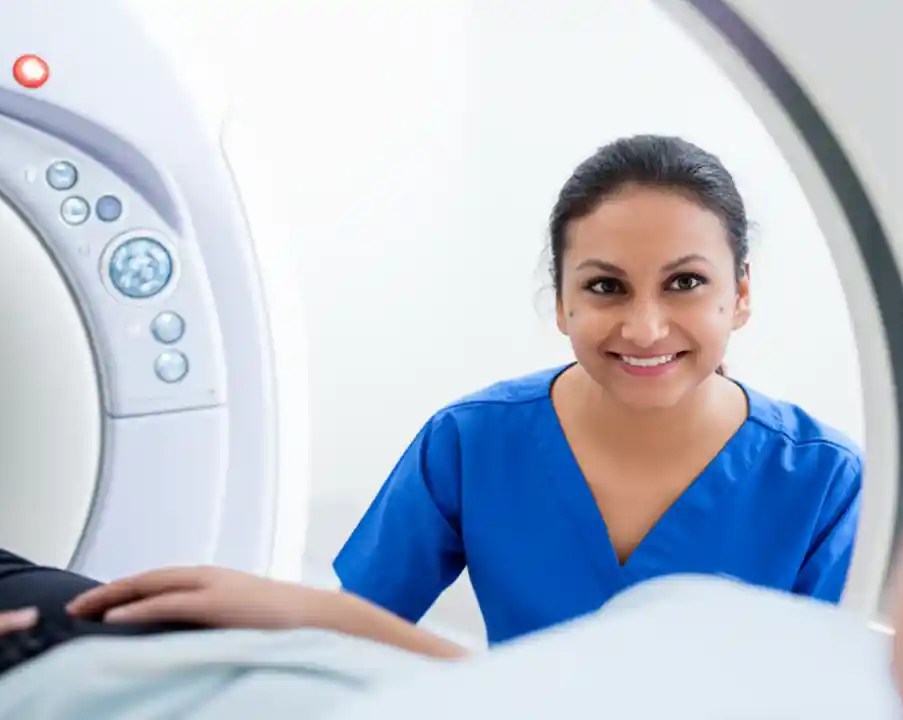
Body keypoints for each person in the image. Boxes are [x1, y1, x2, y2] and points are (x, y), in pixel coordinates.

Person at [0, 315, 903, 718]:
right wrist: (322, 614)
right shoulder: (480, 436)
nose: (644, 326)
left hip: (47, 672)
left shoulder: (812, 497)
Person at [332, 134, 864, 644]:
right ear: (563, 302)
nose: (645, 329)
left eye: (685, 283)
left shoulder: (825, 482)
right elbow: (340, 635)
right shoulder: (468, 444)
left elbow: (836, 690)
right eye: (606, 287)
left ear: (741, 293)